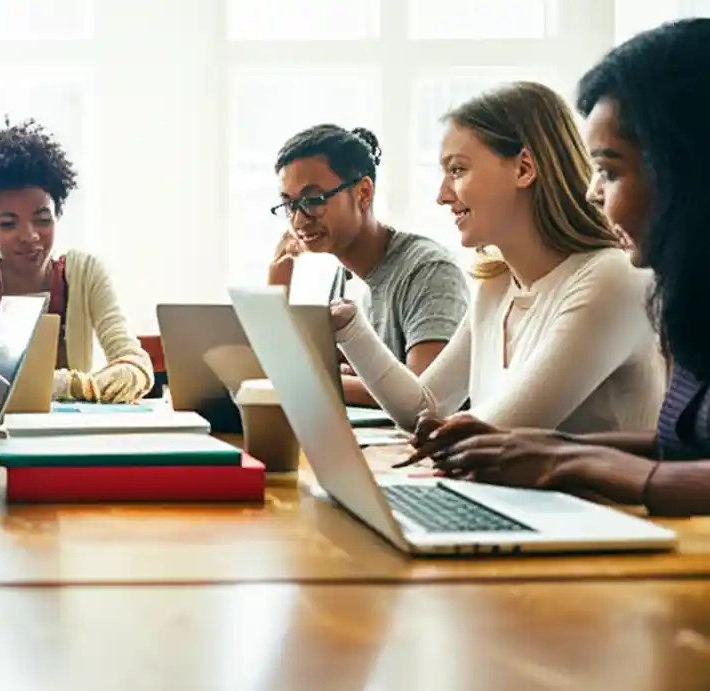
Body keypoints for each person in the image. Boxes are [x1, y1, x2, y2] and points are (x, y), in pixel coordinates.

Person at [428, 19, 710, 516]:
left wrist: (577, 461)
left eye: (610, 171)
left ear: (685, 170)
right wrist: (557, 450)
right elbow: (687, 448)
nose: (593, 192)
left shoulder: (613, 279)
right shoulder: (691, 300)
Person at [332, 81, 664, 437]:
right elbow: (425, 409)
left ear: (524, 169)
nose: (442, 196)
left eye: (457, 170)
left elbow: (489, 435)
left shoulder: (611, 278)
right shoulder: (496, 286)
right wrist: (349, 326)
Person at [0, 118, 153, 404]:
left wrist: (127, 373)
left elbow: (135, 363)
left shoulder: (85, 272)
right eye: (8, 224)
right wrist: (74, 385)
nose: (29, 236)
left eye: (42, 220)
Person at [267, 125, 468, 406]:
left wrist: (311, 379)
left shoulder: (429, 270)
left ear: (363, 193)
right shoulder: (343, 278)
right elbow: (306, 364)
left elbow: (425, 397)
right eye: (290, 205)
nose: (299, 220)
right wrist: (278, 287)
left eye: (313, 200)